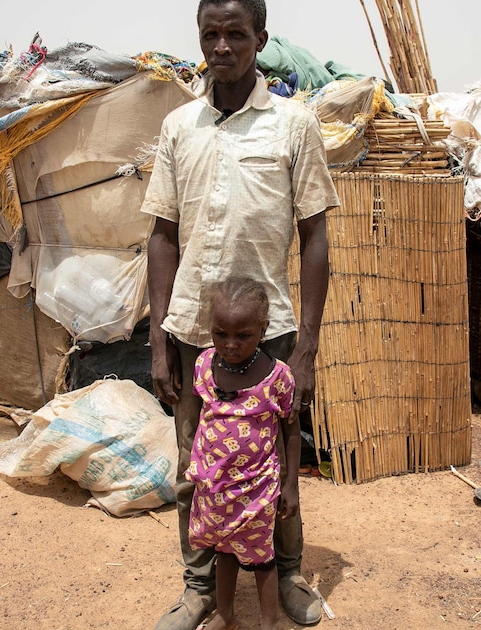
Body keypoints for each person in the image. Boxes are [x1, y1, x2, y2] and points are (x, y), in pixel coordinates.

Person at [141, 1, 339, 627]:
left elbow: (315, 238)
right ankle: (199, 588)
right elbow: (163, 237)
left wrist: (304, 351)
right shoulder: (178, 128)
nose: (221, 45)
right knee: (194, 468)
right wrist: (155, 338)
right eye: (211, 34)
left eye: (235, 33)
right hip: (193, 336)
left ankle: (288, 578)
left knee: (277, 465)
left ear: (261, 39)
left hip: (270, 334)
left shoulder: (294, 124)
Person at [187, 276, 299, 630]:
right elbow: (204, 420)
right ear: (210, 328)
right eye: (221, 334)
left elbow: (291, 430)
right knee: (223, 550)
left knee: (262, 557)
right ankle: (225, 614)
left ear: (263, 329)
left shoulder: (277, 377)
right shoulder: (205, 365)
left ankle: (269, 624)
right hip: (215, 486)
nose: (231, 344)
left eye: (244, 335)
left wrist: (290, 485)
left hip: (257, 487)